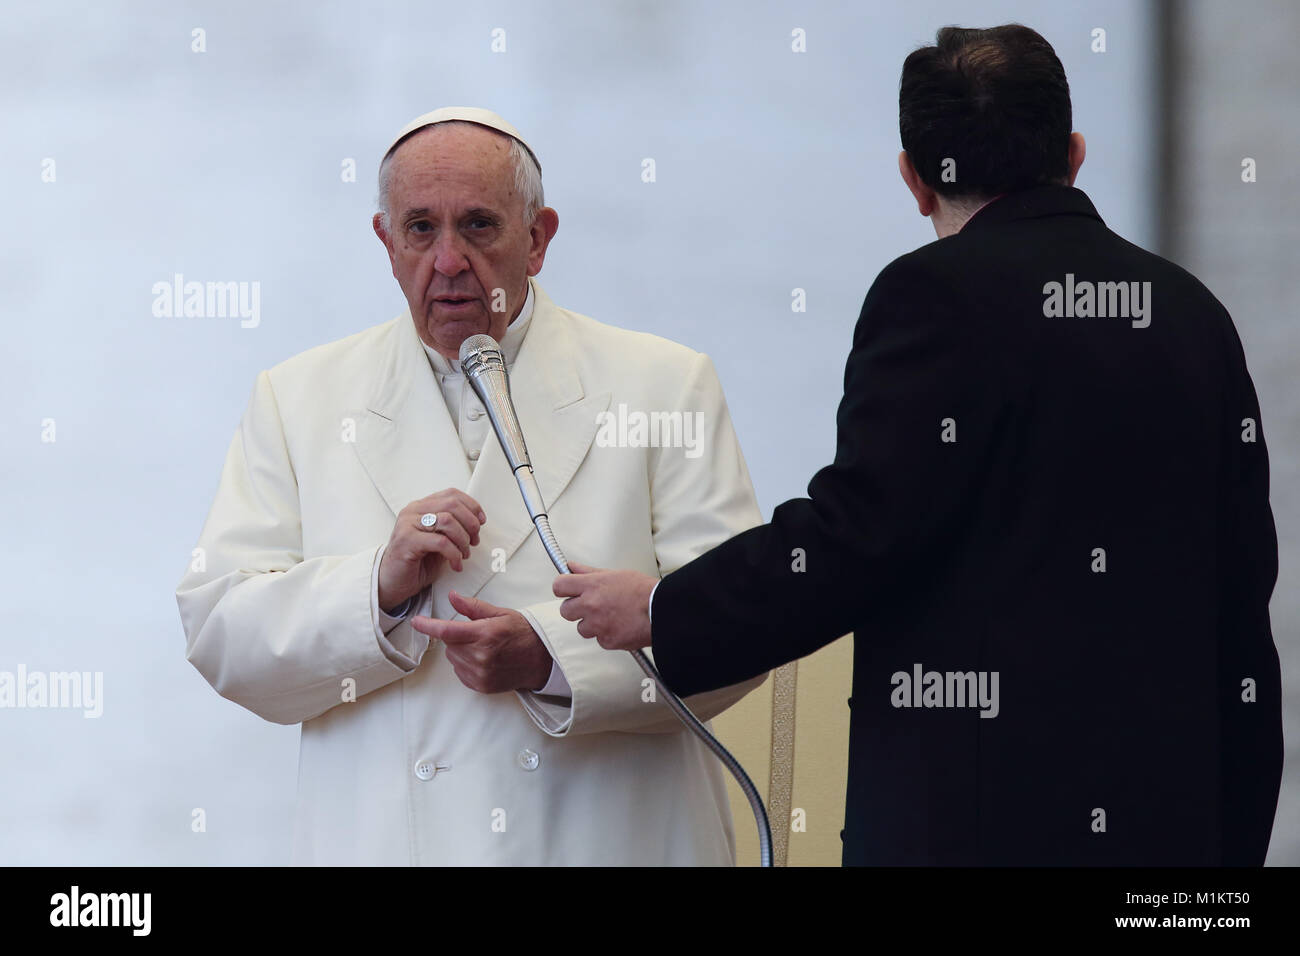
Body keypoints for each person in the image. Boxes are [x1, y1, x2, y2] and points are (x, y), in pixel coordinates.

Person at [554, 26, 1283, 866]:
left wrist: (661, 609)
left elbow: (860, 533)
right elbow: (1241, 609)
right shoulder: (1193, 315)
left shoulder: (934, 296)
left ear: (913, 177)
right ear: (1074, 153)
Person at [176, 106, 766, 865]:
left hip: (611, 839)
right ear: (386, 243)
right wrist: (375, 592)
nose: (448, 261)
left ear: (539, 238)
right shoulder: (298, 398)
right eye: (420, 228)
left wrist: (553, 660)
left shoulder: (663, 385)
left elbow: (744, 624)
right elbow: (220, 630)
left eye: (479, 226)